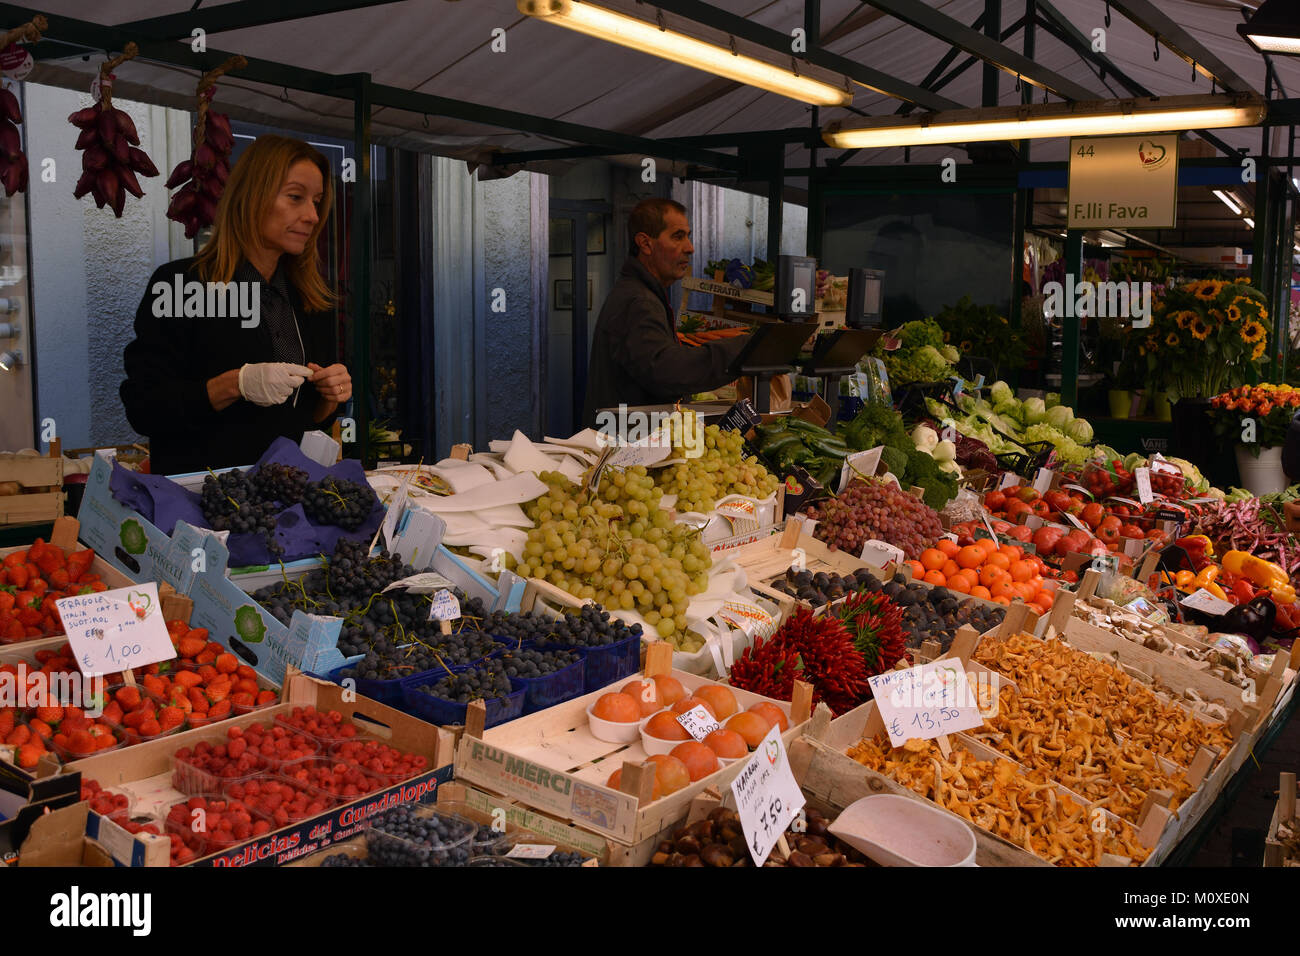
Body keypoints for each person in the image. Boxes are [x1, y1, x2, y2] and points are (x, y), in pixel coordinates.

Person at [120, 135, 351, 475]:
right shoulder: (182, 286)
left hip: (286, 500)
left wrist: (331, 394)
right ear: (251, 196)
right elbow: (145, 409)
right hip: (201, 504)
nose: (313, 216)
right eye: (295, 197)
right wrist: (236, 384)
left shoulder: (310, 297)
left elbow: (308, 417)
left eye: (316, 201)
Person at [582, 198, 748, 427]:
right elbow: (667, 372)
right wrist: (743, 350)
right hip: (627, 448)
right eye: (678, 236)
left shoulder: (642, 294)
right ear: (645, 243)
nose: (690, 248)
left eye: (688, 236)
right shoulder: (638, 302)